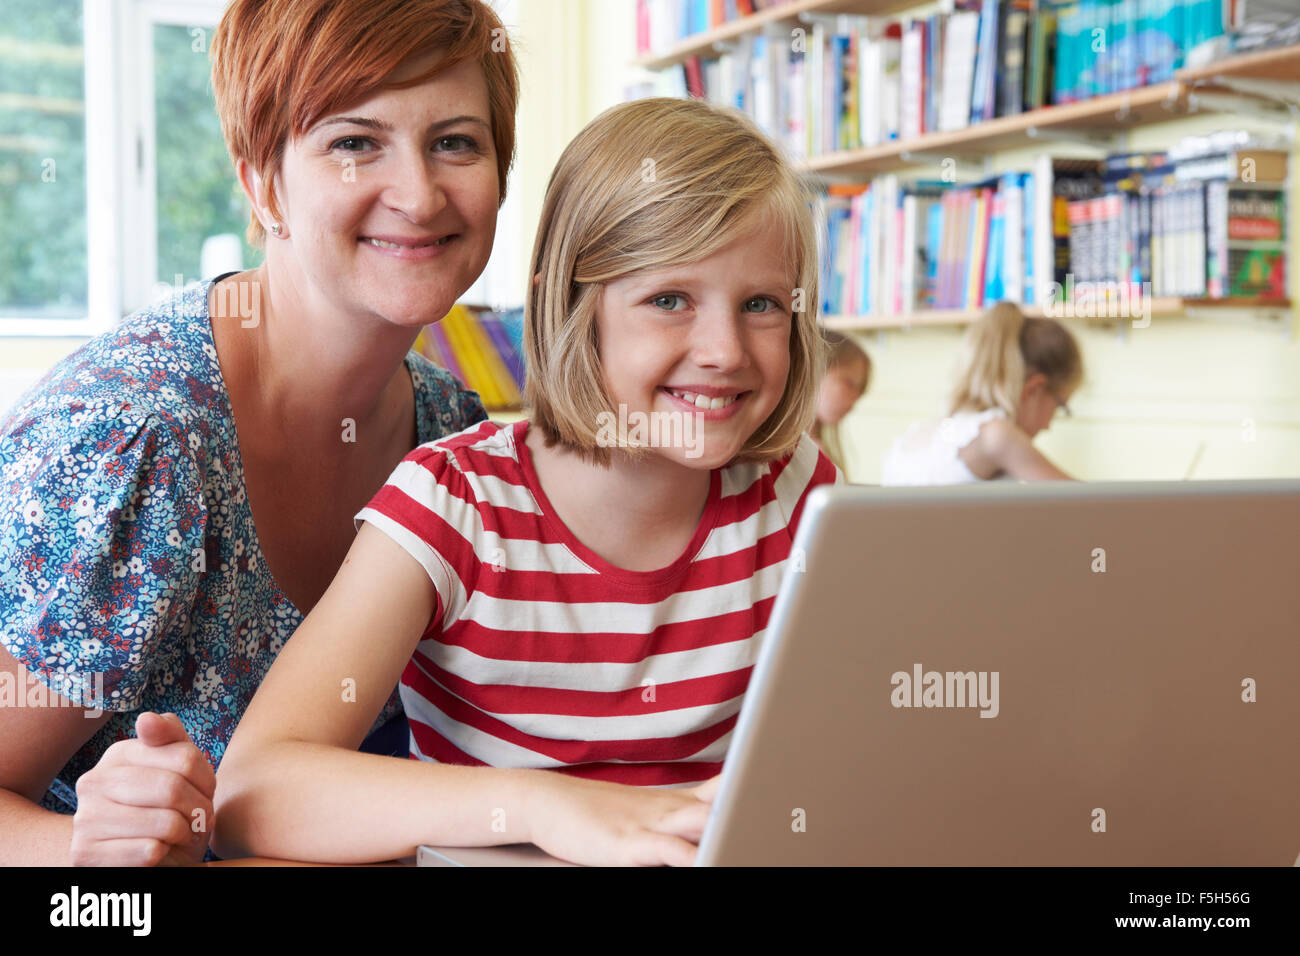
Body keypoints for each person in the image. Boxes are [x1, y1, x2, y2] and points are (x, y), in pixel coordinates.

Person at [212, 97, 841, 867]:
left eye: (762, 305)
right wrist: (545, 803)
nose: (723, 349)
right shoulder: (453, 504)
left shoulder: (799, 495)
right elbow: (255, 791)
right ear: (563, 303)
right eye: (669, 300)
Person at [0, 0, 519, 865]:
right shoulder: (135, 443)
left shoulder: (452, 430)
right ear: (261, 181)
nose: (420, 193)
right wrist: (87, 853)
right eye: (355, 142)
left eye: (456, 143)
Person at [880, 302, 1082, 485]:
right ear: (1034, 389)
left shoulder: (916, 435)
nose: (1048, 426)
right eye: (1059, 406)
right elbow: (1091, 507)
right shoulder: (996, 436)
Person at [811, 330, 871, 476]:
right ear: (811, 372)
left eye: (860, 390)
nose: (857, 397)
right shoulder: (796, 457)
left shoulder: (818, 452)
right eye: (849, 384)